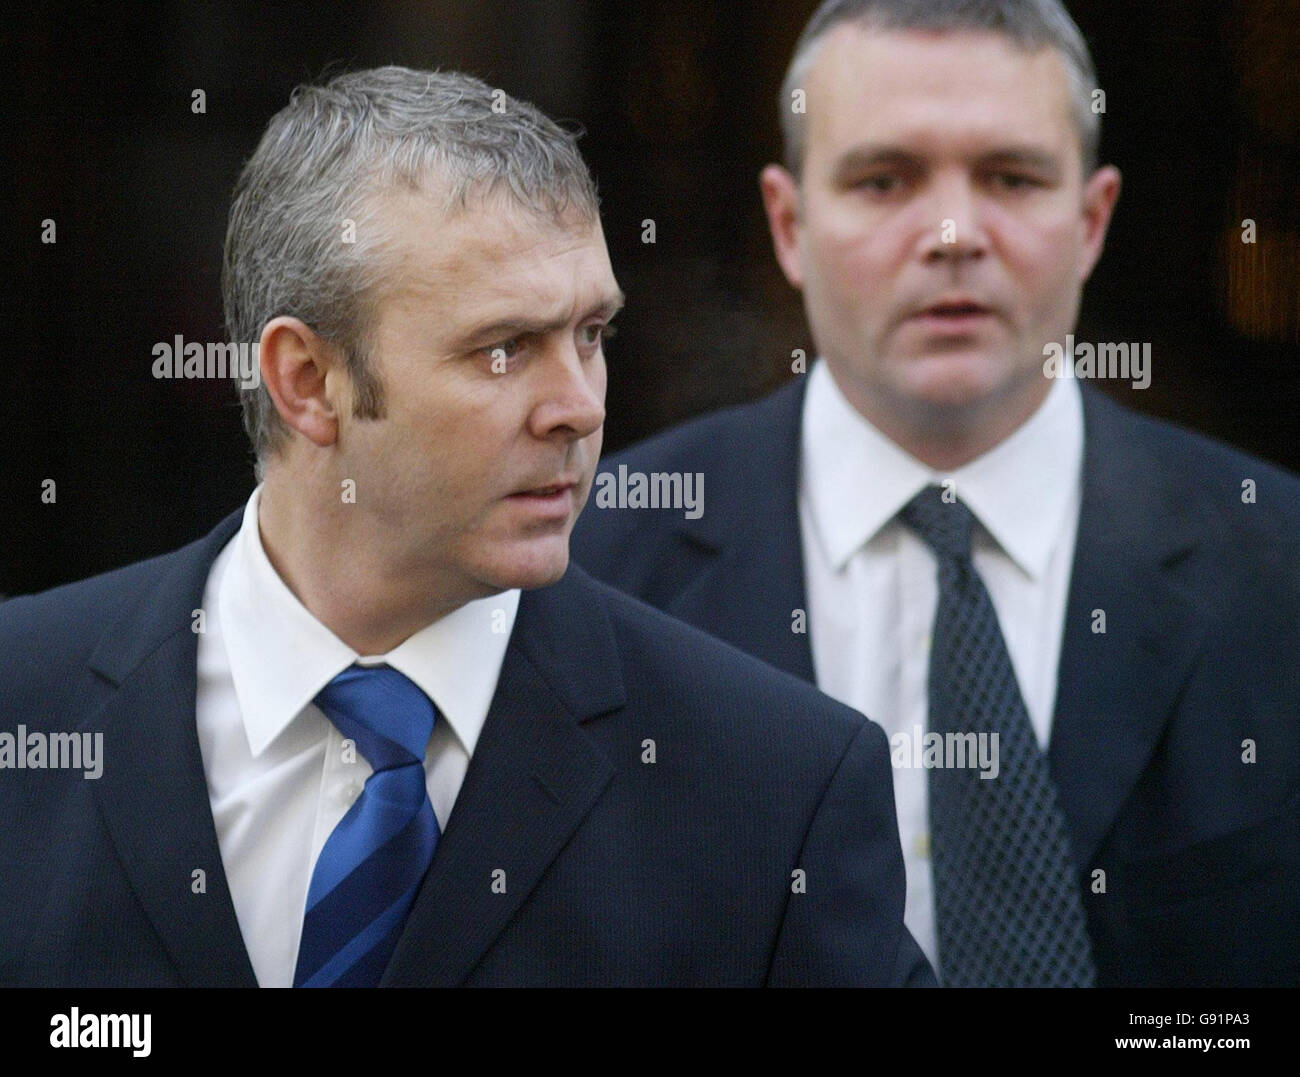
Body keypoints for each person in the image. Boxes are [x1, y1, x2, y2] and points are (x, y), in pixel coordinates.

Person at [0, 66, 934, 988]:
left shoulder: (772, 788)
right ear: (307, 382)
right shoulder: (25, 707)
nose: (578, 407)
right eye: (504, 349)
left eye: (591, 336)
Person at [573, 0, 1300, 987]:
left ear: (1091, 222)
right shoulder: (591, 567)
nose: (953, 234)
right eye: (883, 180)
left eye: (1010, 177)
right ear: (788, 224)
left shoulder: (1277, 566)